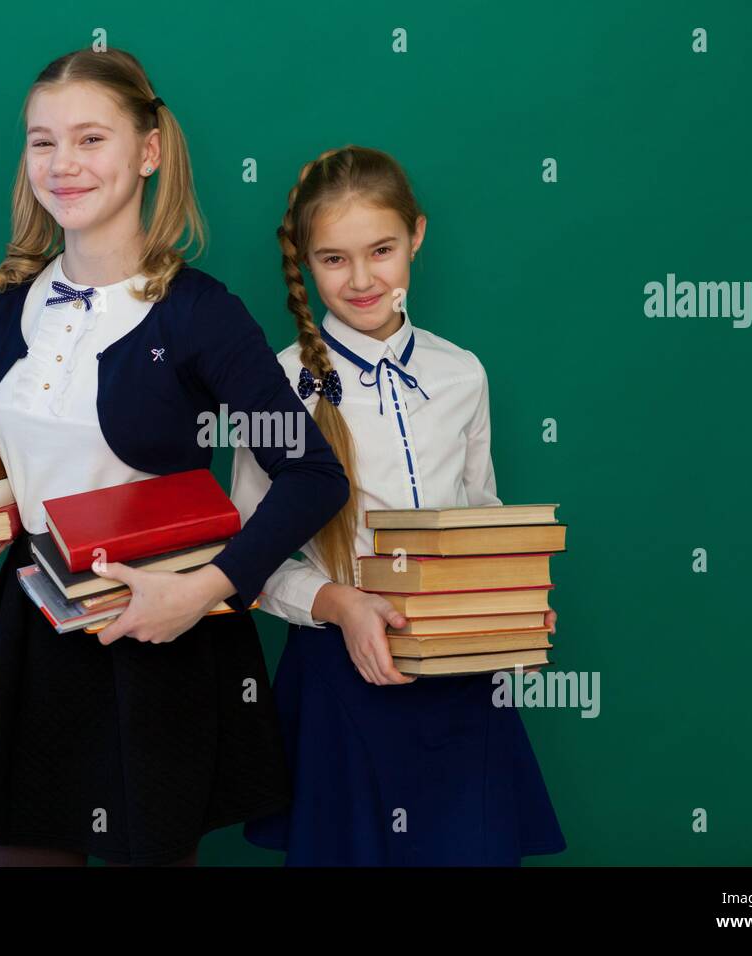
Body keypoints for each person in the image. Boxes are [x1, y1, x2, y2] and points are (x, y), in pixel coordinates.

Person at [0, 48, 350, 867]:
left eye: (89, 138)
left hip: (157, 633)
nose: (62, 164)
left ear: (148, 152)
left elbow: (313, 474)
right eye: (43, 141)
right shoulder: (7, 299)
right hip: (34, 628)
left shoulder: (201, 314)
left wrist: (203, 591)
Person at [233, 145, 566, 865]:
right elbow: (249, 563)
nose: (361, 280)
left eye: (381, 250)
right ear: (303, 258)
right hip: (340, 683)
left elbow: (484, 516)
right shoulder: (275, 386)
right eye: (332, 259)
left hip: (463, 683)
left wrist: (516, 602)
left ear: (416, 236)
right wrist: (341, 605)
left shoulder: (461, 373)